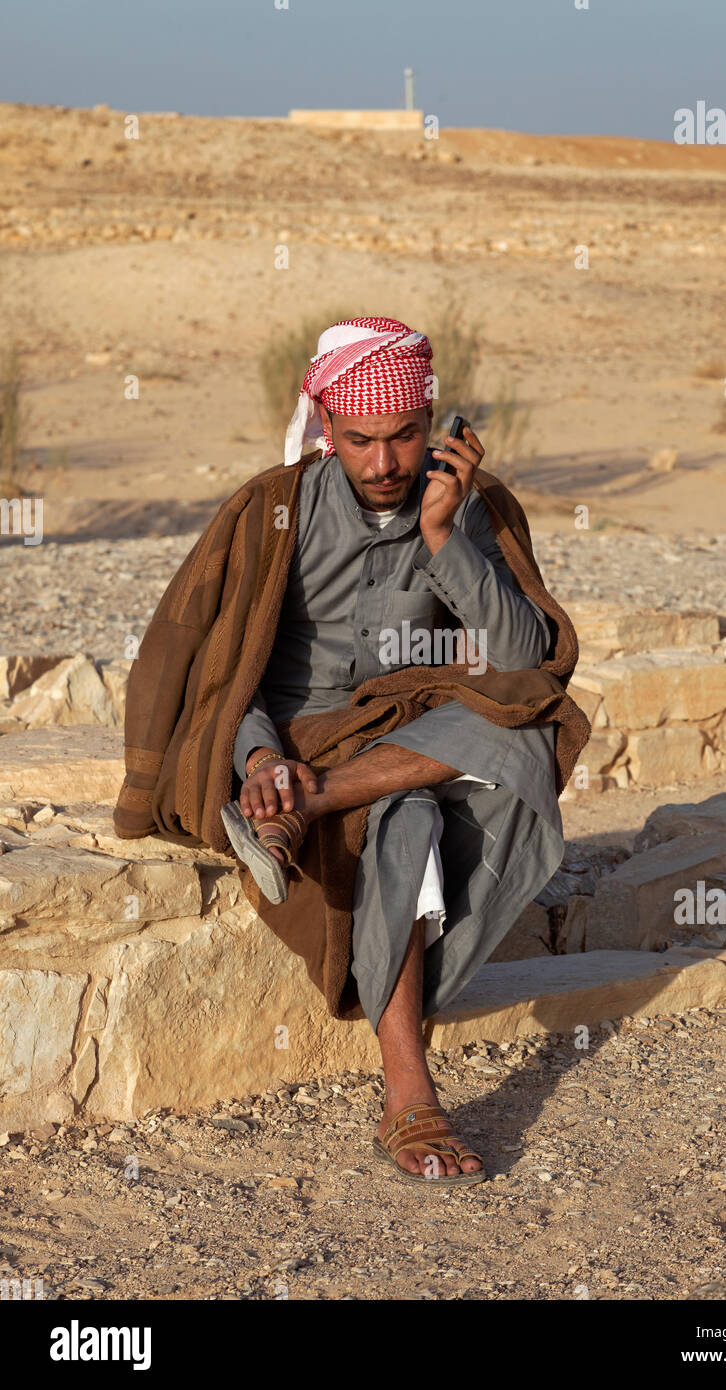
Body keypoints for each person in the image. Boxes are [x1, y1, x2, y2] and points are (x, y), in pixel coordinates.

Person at [115, 315, 590, 1187]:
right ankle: (410, 1091)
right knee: (406, 812)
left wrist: (446, 536)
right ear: (326, 428)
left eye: (403, 437)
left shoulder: (471, 506)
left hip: (413, 727)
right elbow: (226, 676)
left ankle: (321, 798)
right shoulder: (274, 512)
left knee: (529, 715)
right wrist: (260, 764)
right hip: (299, 735)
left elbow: (525, 662)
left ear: (433, 426)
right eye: (361, 440)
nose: (384, 465)